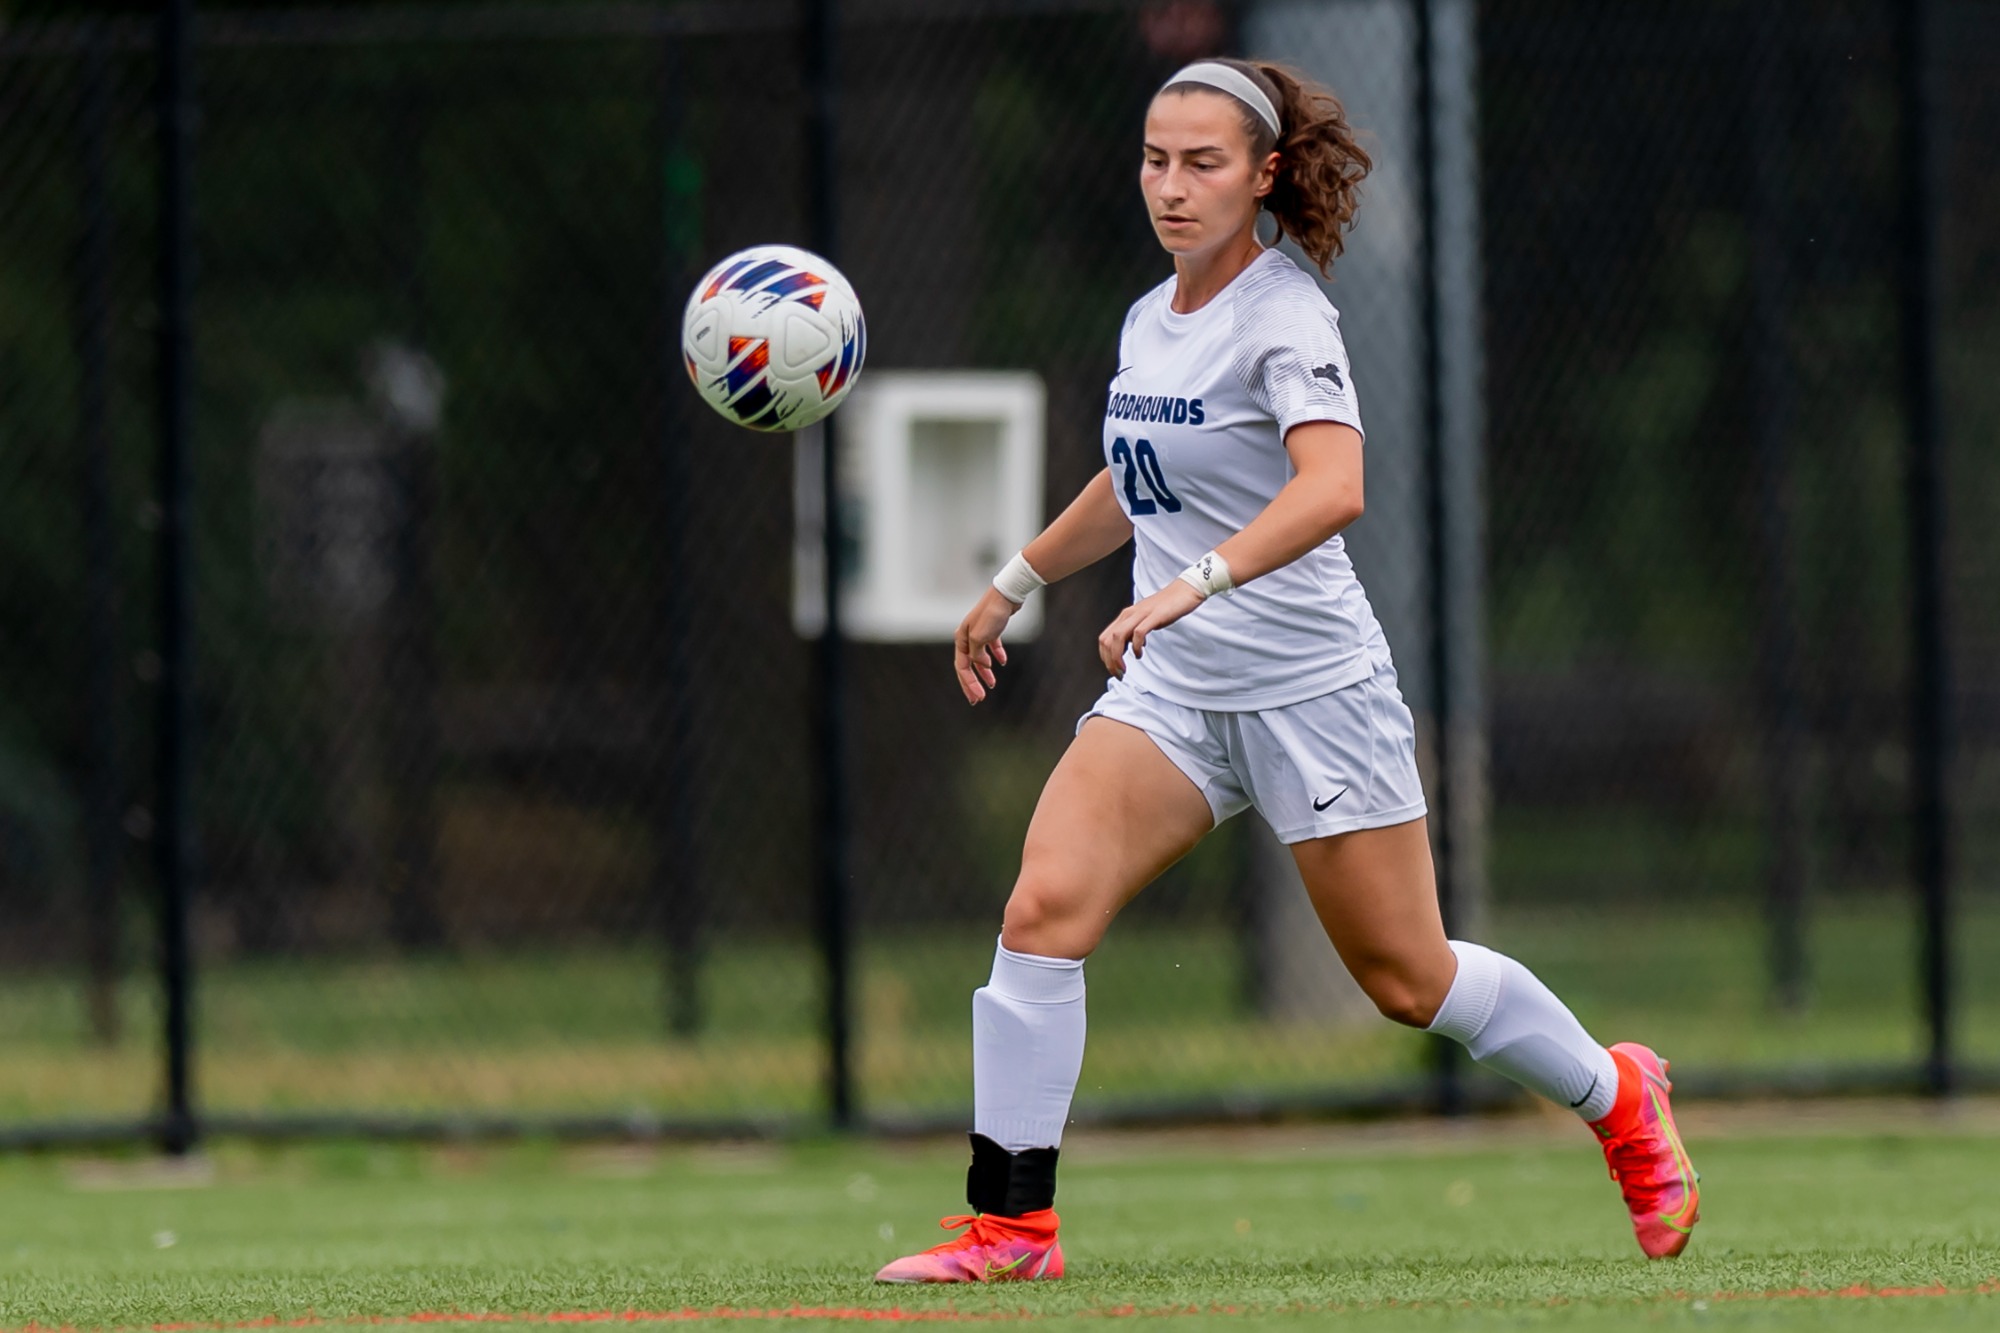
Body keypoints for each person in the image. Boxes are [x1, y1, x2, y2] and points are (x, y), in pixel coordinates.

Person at [873, 57, 1699, 1285]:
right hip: (1175, 689)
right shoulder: (1150, 317)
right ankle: (1012, 1228)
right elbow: (1137, 473)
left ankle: (1615, 1091)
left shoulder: (1285, 314)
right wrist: (1017, 581)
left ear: (1261, 175)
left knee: (1406, 979)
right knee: (1040, 916)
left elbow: (1334, 488)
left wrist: (1190, 584)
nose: (1171, 185)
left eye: (1202, 163)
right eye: (1155, 160)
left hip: (1311, 690)